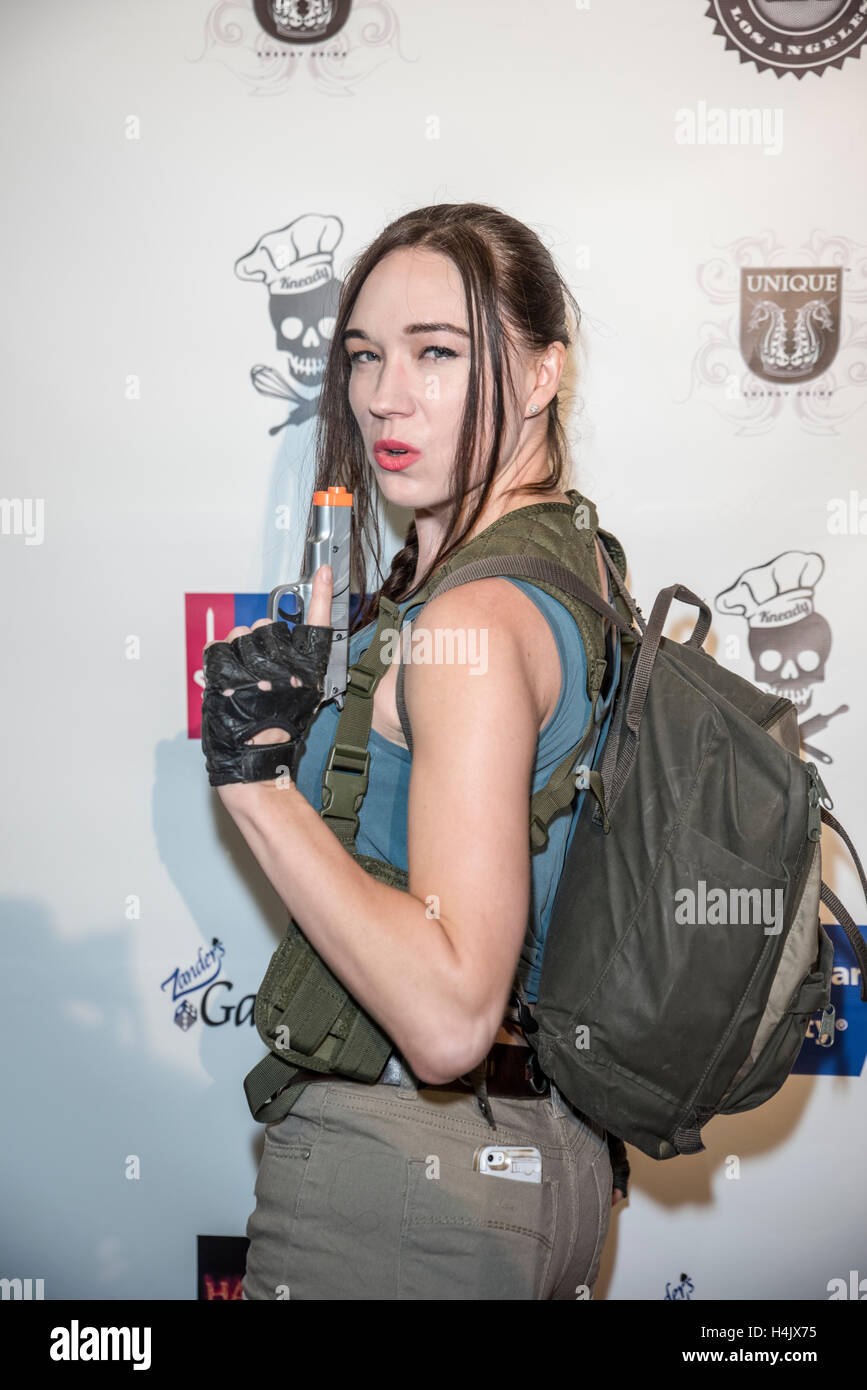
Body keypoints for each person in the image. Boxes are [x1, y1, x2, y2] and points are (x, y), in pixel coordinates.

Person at [204, 202, 630, 1300]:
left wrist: (255, 788)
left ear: (542, 374)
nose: (384, 394)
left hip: (411, 1177)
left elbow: (447, 1018)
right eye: (364, 356)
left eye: (437, 353)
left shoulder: (476, 622)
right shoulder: (568, 567)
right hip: (536, 1167)